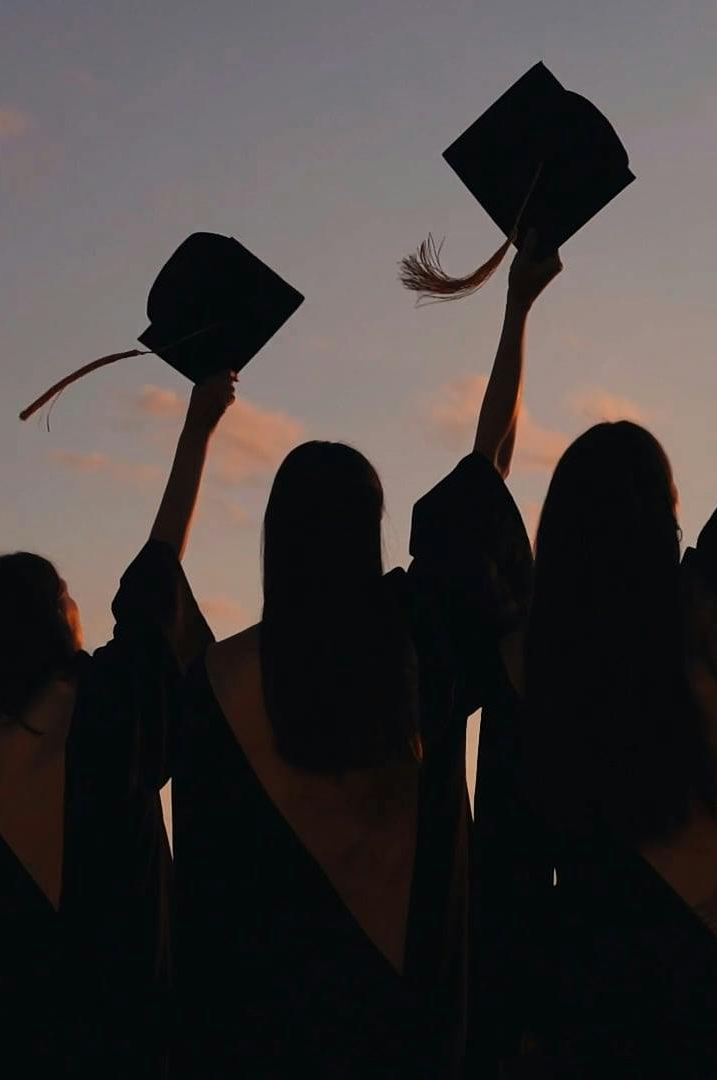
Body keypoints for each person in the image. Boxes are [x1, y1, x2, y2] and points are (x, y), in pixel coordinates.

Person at [416, 222, 717, 1077]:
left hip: (594, 1023)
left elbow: (482, 482)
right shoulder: (711, 625)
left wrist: (518, 307)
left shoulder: (523, 666)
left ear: (559, 530)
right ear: (665, 516)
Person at [168, 378, 523, 1073]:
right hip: (420, 1029)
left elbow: (204, 904)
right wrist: (518, 310)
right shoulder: (424, 637)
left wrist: (198, 427)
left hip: (273, 1034)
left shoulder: (217, 683)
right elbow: (486, 477)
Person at [0, 373, 234, 1077]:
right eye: (65, 594)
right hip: (127, 1045)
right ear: (56, 621)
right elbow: (157, 579)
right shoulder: (108, 708)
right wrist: (196, 430)